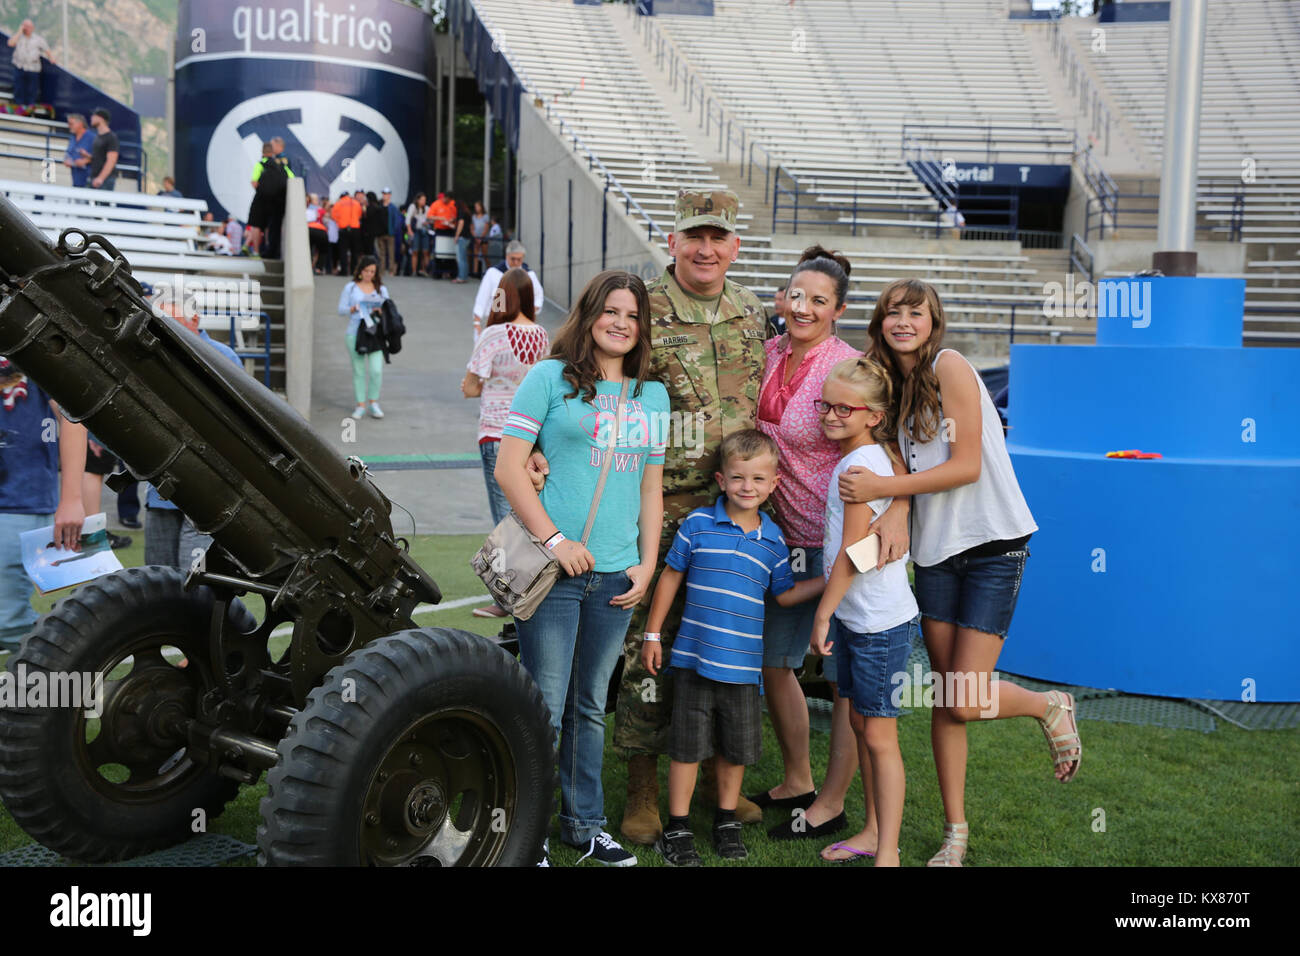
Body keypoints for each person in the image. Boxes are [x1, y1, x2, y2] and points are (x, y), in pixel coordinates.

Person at [843, 278, 1077, 867]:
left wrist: (884, 489)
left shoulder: (950, 366)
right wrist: (896, 501)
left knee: (964, 696)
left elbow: (967, 464)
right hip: (935, 553)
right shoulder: (887, 386)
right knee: (948, 701)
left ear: (933, 320)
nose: (902, 322)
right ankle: (956, 835)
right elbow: (898, 458)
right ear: (879, 322)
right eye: (892, 312)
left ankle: (1048, 705)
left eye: (914, 313)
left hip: (993, 543)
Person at [495, 269, 668, 866]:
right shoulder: (547, 377)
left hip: (617, 577)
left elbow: (651, 488)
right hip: (553, 571)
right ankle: (529, 831)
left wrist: (646, 564)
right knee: (543, 702)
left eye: (633, 314)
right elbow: (510, 468)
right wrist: (556, 539)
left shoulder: (654, 396)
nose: (621, 323)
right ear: (590, 314)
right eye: (610, 311)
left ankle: (585, 825)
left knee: (589, 705)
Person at [749, 247, 909, 845]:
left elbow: (888, 447)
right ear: (781, 298)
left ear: (839, 310)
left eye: (819, 300)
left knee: (845, 681)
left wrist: (902, 505)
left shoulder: (847, 366)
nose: (804, 307)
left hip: (835, 534)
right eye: (796, 295)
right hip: (776, 531)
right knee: (774, 660)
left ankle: (834, 802)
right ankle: (797, 779)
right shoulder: (768, 352)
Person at [641, 429, 823, 865]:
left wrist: (831, 580)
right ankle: (679, 827)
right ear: (722, 480)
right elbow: (670, 577)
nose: (748, 487)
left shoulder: (775, 542)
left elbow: (783, 596)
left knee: (735, 749)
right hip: (693, 662)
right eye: (739, 478)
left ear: (774, 484)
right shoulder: (698, 525)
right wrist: (652, 633)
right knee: (687, 748)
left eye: (759, 480)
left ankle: (726, 819)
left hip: (743, 669)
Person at [809, 358, 920, 865]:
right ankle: (874, 831)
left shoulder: (860, 468)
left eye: (843, 408)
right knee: (860, 725)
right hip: (860, 617)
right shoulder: (863, 457)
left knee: (878, 734)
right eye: (825, 404)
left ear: (873, 415)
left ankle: (888, 852)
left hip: (878, 621)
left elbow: (855, 553)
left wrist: (822, 613)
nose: (830, 415)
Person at [461, 267, 549, 619]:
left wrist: (477, 386)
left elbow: (470, 386)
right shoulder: (543, 336)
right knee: (527, 514)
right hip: (532, 437)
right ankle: (527, 591)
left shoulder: (493, 334)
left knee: (505, 518)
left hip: (497, 432)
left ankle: (509, 598)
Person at [144, 305, 244, 569]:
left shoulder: (224, 358)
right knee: (156, 575)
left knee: (194, 583)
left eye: (167, 320)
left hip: (206, 489)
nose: (159, 327)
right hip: (160, 489)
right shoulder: (149, 354)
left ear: (195, 320)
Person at [0, 356, 86, 651]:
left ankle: (67, 673)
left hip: (20, 501)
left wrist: (72, 498)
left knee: (7, 622)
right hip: (20, 497)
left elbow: (72, 415)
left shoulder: (26, 329)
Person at [338, 256, 389, 420]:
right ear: (360, 271)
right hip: (355, 332)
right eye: (366, 271)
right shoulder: (351, 287)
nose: (369, 274)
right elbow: (341, 309)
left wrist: (380, 310)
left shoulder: (381, 289)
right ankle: (360, 404)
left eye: (372, 271)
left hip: (375, 333)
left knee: (376, 370)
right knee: (358, 370)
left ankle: (373, 401)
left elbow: (389, 308)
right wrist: (353, 308)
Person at [472, 240, 543, 337]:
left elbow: (538, 298)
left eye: (519, 259)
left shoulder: (529, 275)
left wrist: (527, 312)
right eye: (512, 259)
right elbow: (482, 298)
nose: (516, 262)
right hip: (497, 325)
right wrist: (477, 323)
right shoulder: (494, 273)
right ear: (506, 256)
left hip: (521, 327)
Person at [6, 20, 53, 108]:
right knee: (19, 88)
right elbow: (10, 43)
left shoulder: (38, 39)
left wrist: (51, 58)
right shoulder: (18, 37)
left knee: (32, 89)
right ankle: (19, 107)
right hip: (19, 66)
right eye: (25, 26)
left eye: (29, 26)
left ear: (33, 28)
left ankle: (30, 108)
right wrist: (19, 31)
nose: (27, 28)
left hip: (33, 68)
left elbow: (47, 49)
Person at [331, 189, 363, 276]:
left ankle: (344, 271)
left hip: (344, 229)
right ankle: (353, 271)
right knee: (354, 252)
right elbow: (360, 215)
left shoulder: (339, 203)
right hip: (355, 229)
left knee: (343, 251)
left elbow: (333, 215)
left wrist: (339, 221)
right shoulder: (356, 203)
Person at [88, 108, 119, 191]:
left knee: (103, 204)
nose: (91, 118)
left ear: (100, 118)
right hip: (94, 177)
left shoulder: (111, 137)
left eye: (94, 116)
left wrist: (100, 178)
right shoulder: (97, 136)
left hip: (105, 180)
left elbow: (111, 161)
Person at [428, 191, 457, 279]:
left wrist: (451, 220)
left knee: (450, 253)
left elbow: (457, 216)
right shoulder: (436, 204)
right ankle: (437, 272)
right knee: (438, 252)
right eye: (445, 199)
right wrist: (440, 218)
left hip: (450, 230)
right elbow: (429, 216)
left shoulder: (453, 204)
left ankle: (451, 272)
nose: (446, 201)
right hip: (440, 230)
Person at [63, 114, 95, 189]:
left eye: (71, 124)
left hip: (89, 179)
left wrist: (86, 160)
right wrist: (67, 159)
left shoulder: (92, 137)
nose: (69, 126)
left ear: (80, 124)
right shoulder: (73, 137)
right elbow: (69, 152)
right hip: (76, 177)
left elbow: (100, 156)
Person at [406, 192, 430, 277]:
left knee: (425, 251)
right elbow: (408, 218)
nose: (424, 201)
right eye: (422, 200)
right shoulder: (413, 207)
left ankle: (425, 270)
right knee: (415, 251)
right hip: (415, 231)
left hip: (424, 231)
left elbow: (430, 219)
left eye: (425, 200)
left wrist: (427, 223)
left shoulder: (427, 208)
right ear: (418, 200)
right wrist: (409, 230)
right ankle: (414, 270)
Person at [379, 188, 402, 275]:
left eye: (387, 194)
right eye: (384, 194)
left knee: (391, 253)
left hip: (390, 233)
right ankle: (382, 270)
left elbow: (397, 220)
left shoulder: (393, 207)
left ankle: (391, 270)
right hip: (381, 233)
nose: (385, 195)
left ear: (390, 195)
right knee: (382, 253)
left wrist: (394, 230)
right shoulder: (380, 206)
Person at [306, 194, 329, 274]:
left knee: (308, 250)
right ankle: (318, 268)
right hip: (321, 230)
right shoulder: (321, 210)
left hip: (309, 229)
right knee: (322, 251)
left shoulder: (306, 208)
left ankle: (307, 267)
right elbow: (327, 219)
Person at [453, 198, 472, 284]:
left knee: (460, 258)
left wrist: (456, 236)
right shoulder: (467, 213)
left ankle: (461, 277)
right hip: (467, 237)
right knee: (464, 258)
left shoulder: (460, 212)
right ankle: (465, 276)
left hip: (462, 237)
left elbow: (461, 224)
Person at [471, 200, 490, 276]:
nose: (476, 208)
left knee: (485, 255)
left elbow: (486, 228)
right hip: (476, 238)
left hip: (483, 238)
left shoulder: (485, 216)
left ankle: (489, 271)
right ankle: (475, 272)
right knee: (475, 256)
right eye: (475, 207)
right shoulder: (473, 217)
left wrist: (481, 238)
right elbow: (472, 228)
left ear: (481, 207)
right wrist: (475, 236)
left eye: (478, 206)